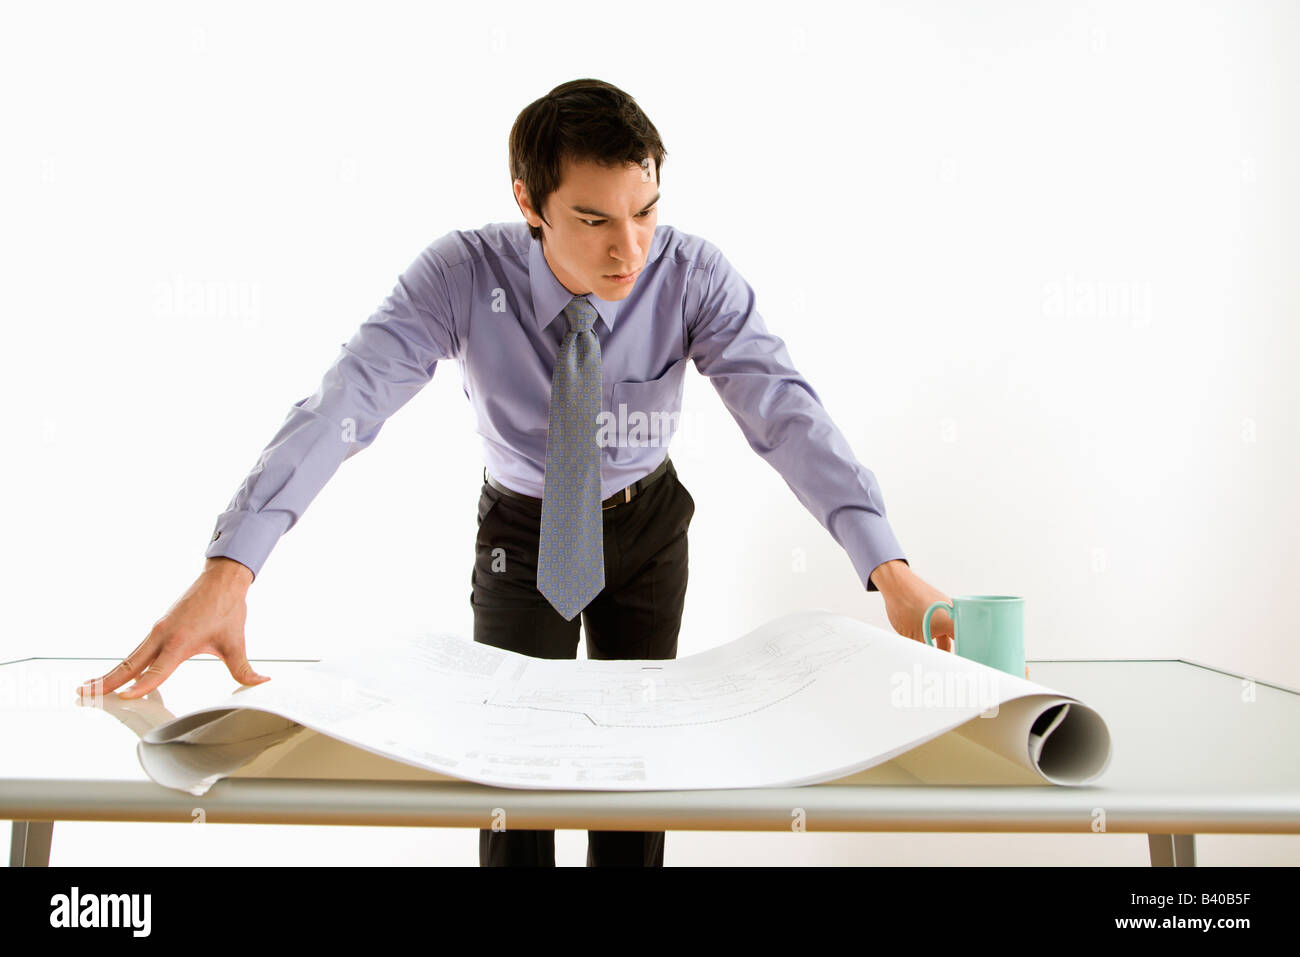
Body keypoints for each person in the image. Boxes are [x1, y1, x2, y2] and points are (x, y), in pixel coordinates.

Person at [79, 78, 956, 866]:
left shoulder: (693, 276)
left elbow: (787, 415)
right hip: (521, 534)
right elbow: (344, 404)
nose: (632, 249)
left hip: (647, 529)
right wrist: (231, 569)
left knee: (634, 780)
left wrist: (887, 565)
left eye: (646, 210)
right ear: (528, 202)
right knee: (509, 784)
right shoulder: (459, 276)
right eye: (595, 219)